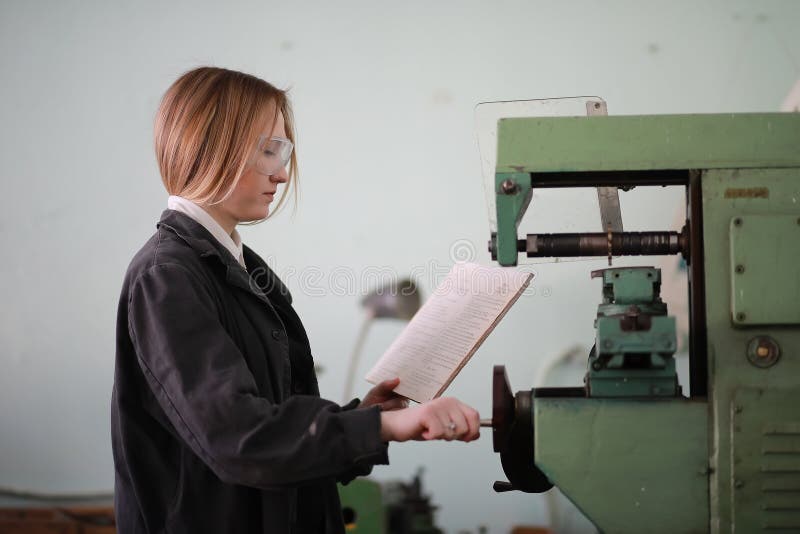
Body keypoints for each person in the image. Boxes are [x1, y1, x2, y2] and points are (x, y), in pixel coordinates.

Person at [111, 66, 481, 534]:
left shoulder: (238, 268)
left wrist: (364, 418)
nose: (283, 174)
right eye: (269, 151)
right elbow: (239, 438)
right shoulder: (167, 277)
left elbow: (273, 425)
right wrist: (378, 430)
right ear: (211, 147)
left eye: (282, 153)